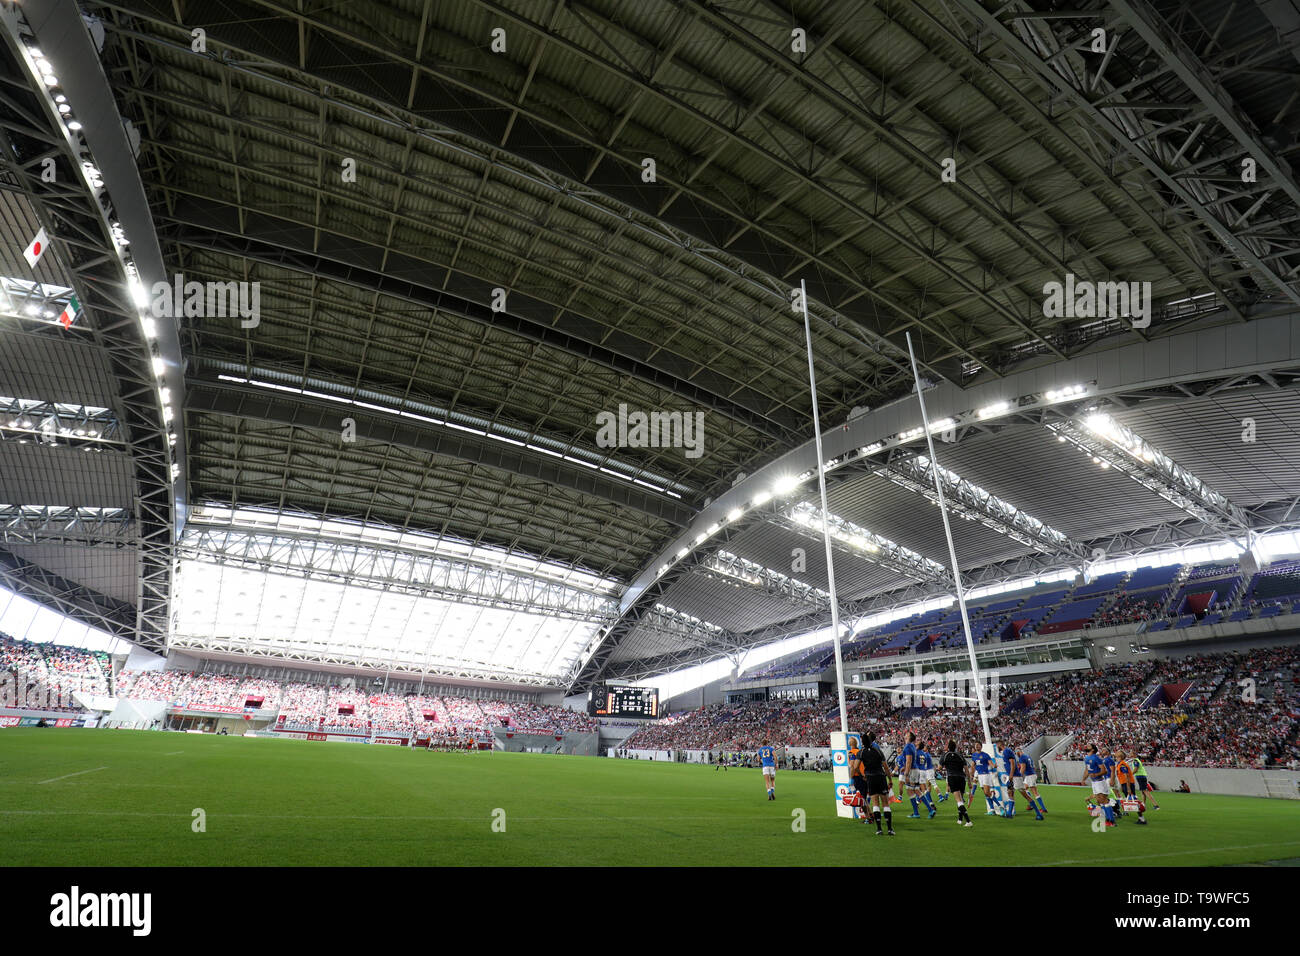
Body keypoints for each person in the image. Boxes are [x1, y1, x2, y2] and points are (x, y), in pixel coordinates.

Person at [850, 732, 895, 836]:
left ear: (862, 742)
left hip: (870, 778)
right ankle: (889, 829)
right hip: (880, 777)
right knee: (885, 803)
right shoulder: (878, 751)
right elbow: (886, 767)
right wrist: (890, 779)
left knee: (875, 803)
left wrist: (861, 776)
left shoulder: (861, 752)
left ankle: (879, 829)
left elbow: (855, 767)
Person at [940, 741, 974, 827]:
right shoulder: (960, 755)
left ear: (948, 747)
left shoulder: (945, 755)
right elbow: (966, 769)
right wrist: (969, 781)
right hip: (962, 778)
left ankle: (968, 821)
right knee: (961, 799)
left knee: (958, 800)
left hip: (952, 777)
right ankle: (960, 819)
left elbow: (939, 767)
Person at [1082, 743, 1116, 828]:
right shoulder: (1086, 758)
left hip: (1100, 782)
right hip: (1094, 782)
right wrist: (1083, 779)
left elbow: (1104, 770)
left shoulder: (1096, 758)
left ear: (1093, 749)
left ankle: (1111, 821)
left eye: (1089, 746)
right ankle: (1108, 820)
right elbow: (1087, 770)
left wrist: (1096, 774)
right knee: (1100, 801)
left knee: (1103, 800)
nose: (1087, 746)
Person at [1015, 749, 1046, 820]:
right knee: (1025, 789)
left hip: (1030, 776)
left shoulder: (1022, 758)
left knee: (1033, 792)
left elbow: (1023, 768)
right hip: (1030, 775)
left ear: (1018, 752)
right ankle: (1031, 804)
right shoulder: (1027, 756)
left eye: (1016, 753)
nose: (1017, 755)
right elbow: (1033, 766)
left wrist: (1019, 776)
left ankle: (1042, 808)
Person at [970, 747, 1001, 815]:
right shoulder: (974, 756)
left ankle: (1000, 806)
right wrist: (971, 773)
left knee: (987, 792)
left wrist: (994, 766)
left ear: (980, 746)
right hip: (980, 775)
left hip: (986, 775)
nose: (976, 746)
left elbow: (991, 764)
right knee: (986, 793)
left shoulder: (985, 755)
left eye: (977, 745)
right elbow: (972, 765)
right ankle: (992, 810)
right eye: (975, 745)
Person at [1000, 742, 1018, 817]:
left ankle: (1038, 811)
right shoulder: (1004, 752)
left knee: (1025, 794)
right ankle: (1009, 813)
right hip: (1010, 776)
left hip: (1015, 776)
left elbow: (1012, 764)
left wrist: (1010, 775)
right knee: (1010, 792)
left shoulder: (1007, 751)